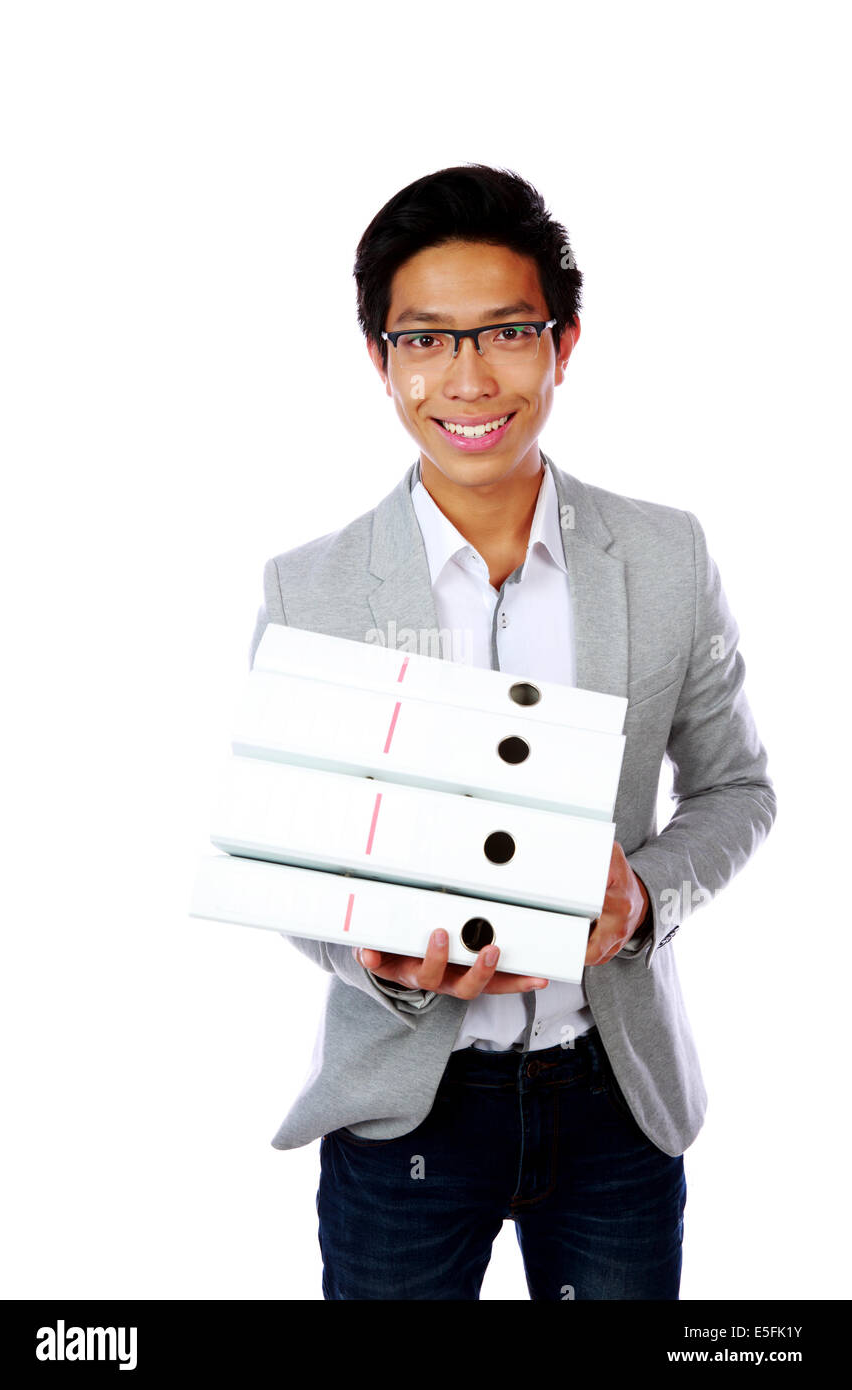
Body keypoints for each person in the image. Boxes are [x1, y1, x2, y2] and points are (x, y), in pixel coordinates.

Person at [248, 164, 777, 1300]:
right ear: (381, 359)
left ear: (563, 342)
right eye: (426, 340)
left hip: (614, 1102)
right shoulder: (311, 590)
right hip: (405, 1110)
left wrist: (643, 899)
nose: (468, 377)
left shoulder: (666, 555)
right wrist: (372, 959)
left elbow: (737, 789)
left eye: (505, 331)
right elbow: (286, 856)